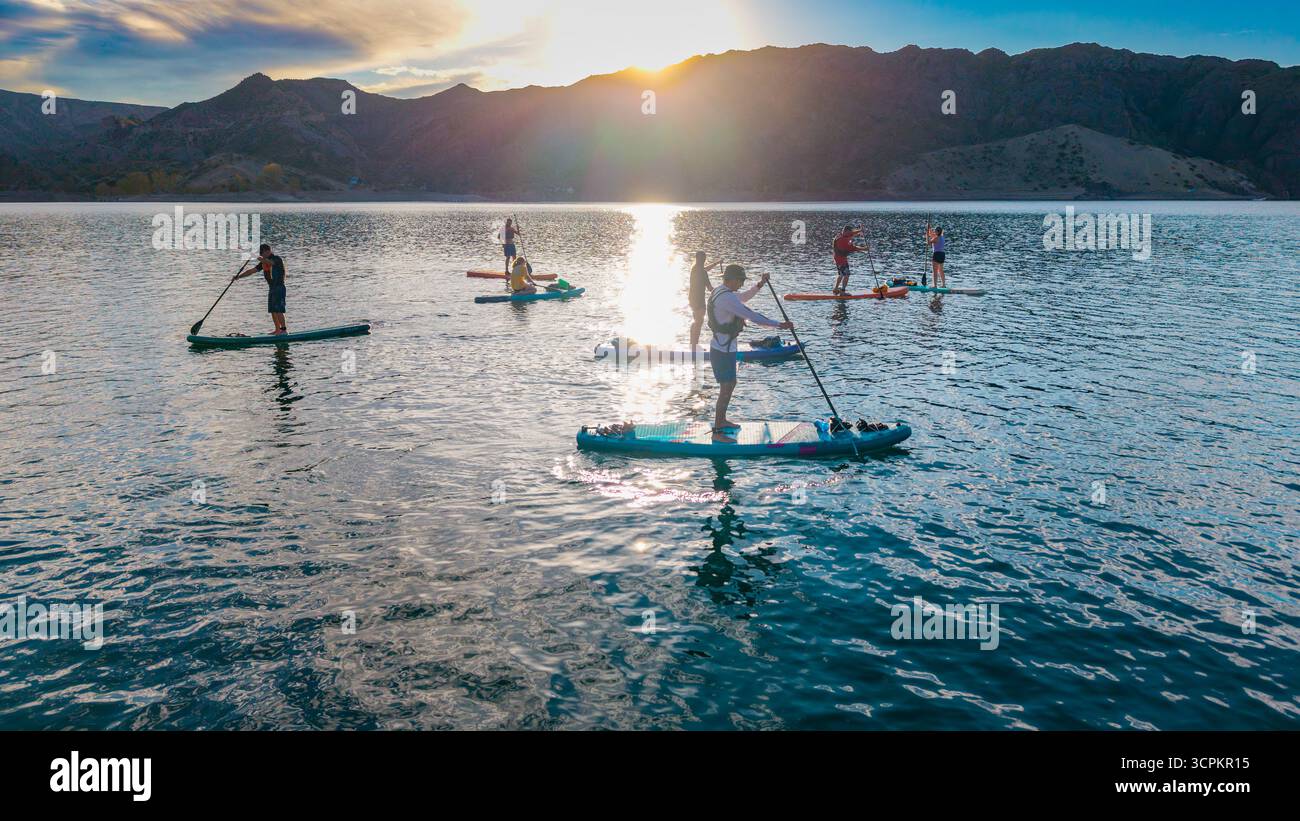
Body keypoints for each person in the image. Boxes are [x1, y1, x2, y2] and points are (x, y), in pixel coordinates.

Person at [707, 264, 793, 443]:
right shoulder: (727, 298)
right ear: (730, 279)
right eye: (740, 281)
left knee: (730, 384)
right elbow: (752, 316)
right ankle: (717, 432)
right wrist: (779, 324)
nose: (741, 284)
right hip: (722, 349)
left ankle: (722, 421)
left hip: (725, 348)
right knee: (725, 388)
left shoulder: (721, 291)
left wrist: (760, 284)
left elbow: (743, 298)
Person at [236, 243, 286, 335]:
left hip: (279, 288)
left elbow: (270, 263)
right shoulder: (263, 262)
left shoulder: (276, 259)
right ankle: (277, 330)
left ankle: (284, 330)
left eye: (262, 253)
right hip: (272, 288)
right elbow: (251, 271)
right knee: (273, 310)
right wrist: (238, 277)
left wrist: (253, 255)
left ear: (268, 251)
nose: (261, 255)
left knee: (278, 309)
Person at [688, 251, 723, 350]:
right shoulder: (702, 272)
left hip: (692, 299)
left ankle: (692, 344)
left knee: (696, 321)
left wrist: (716, 263)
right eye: (704, 259)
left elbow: (706, 269)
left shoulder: (694, 269)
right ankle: (694, 346)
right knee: (699, 322)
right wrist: (722, 291)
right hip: (699, 300)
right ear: (703, 259)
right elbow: (710, 288)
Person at [832, 225, 866, 295]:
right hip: (841, 259)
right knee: (846, 274)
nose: (851, 233)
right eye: (849, 232)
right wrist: (864, 249)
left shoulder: (843, 234)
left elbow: (852, 233)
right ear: (846, 231)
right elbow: (852, 248)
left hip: (839, 258)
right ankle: (842, 292)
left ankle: (835, 289)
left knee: (841, 274)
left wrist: (860, 230)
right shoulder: (842, 240)